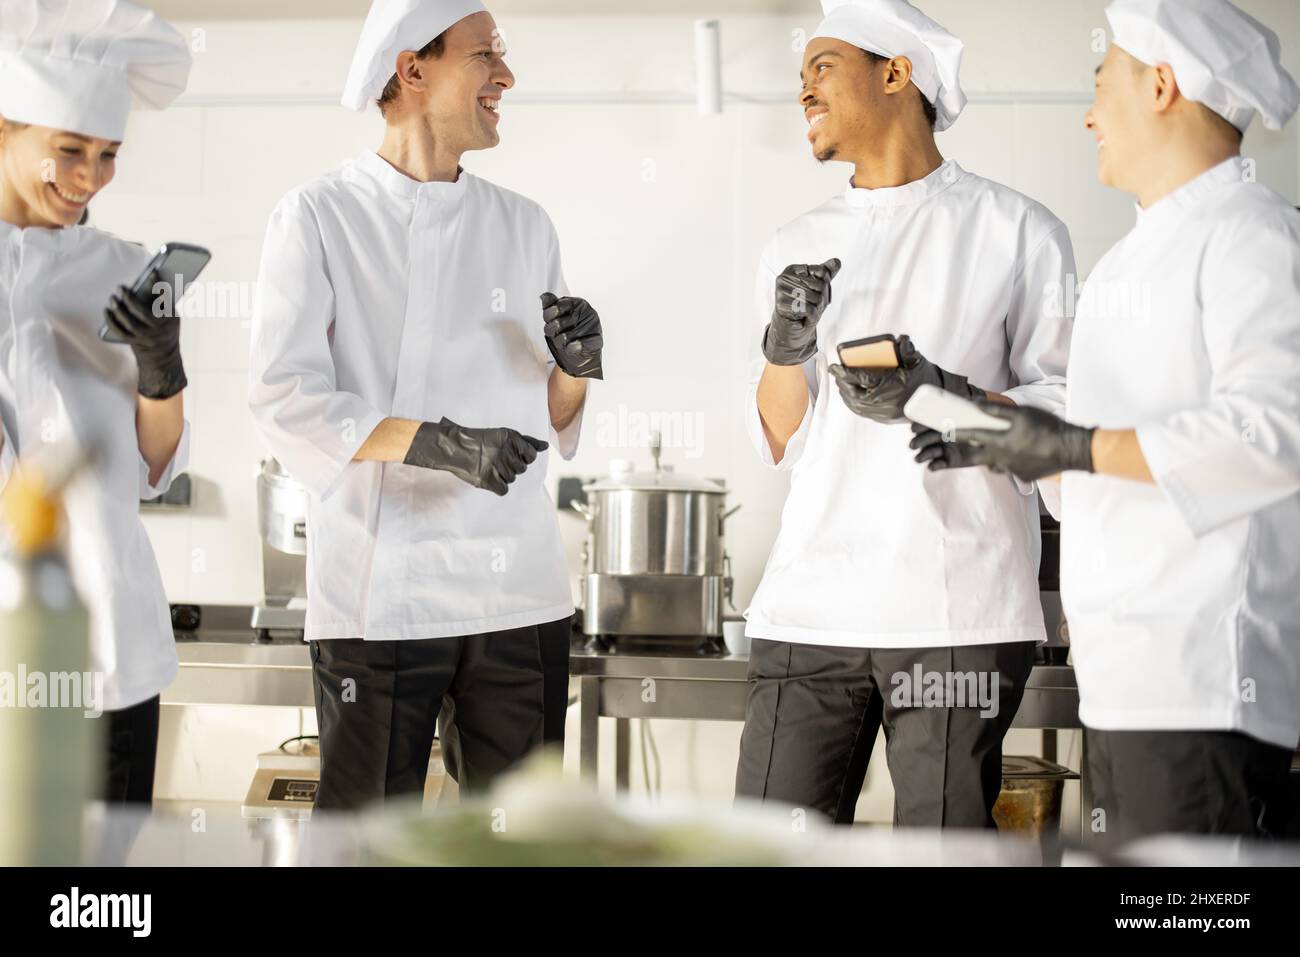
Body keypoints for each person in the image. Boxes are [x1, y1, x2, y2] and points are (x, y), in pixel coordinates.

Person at [917, 0, 1300, 843]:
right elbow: (1089, 464)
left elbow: (1274, 436)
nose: (1089, 114)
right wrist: (986, 423)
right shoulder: (1130, 259)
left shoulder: (1255, 236)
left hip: (1206, 677)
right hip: (1124, 676)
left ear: (1161, 85)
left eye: (1101, 87)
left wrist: (1074, 445)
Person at [248, 0, 603, 810]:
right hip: (378, 597)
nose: (506, 76)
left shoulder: (525, 224)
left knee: (523, 849)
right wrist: (435, 444)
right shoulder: (317, 216)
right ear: (413, 70)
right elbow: (284, 395)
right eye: (486, 56)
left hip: (517, 595)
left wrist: (578, 370)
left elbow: (550, 412)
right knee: (364, 845)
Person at [735, 0, 1075, 827]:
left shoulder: (1018, 231)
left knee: (942, 851)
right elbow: (782, 433)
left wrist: (947, 393)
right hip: (808, 608)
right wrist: (785, 349)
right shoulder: (795, 241)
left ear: (897, 73)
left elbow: (1065, 411)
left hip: (956, 604)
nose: (803, 92)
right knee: (762, 850)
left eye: (821, 67)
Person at [0, 0, 193, 803]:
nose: (88, 178)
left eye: (108, 154)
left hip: (113, 634)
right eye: (68, 150)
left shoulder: (125, 265)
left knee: (100, 887)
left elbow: (156, 462)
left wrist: (160, 365)